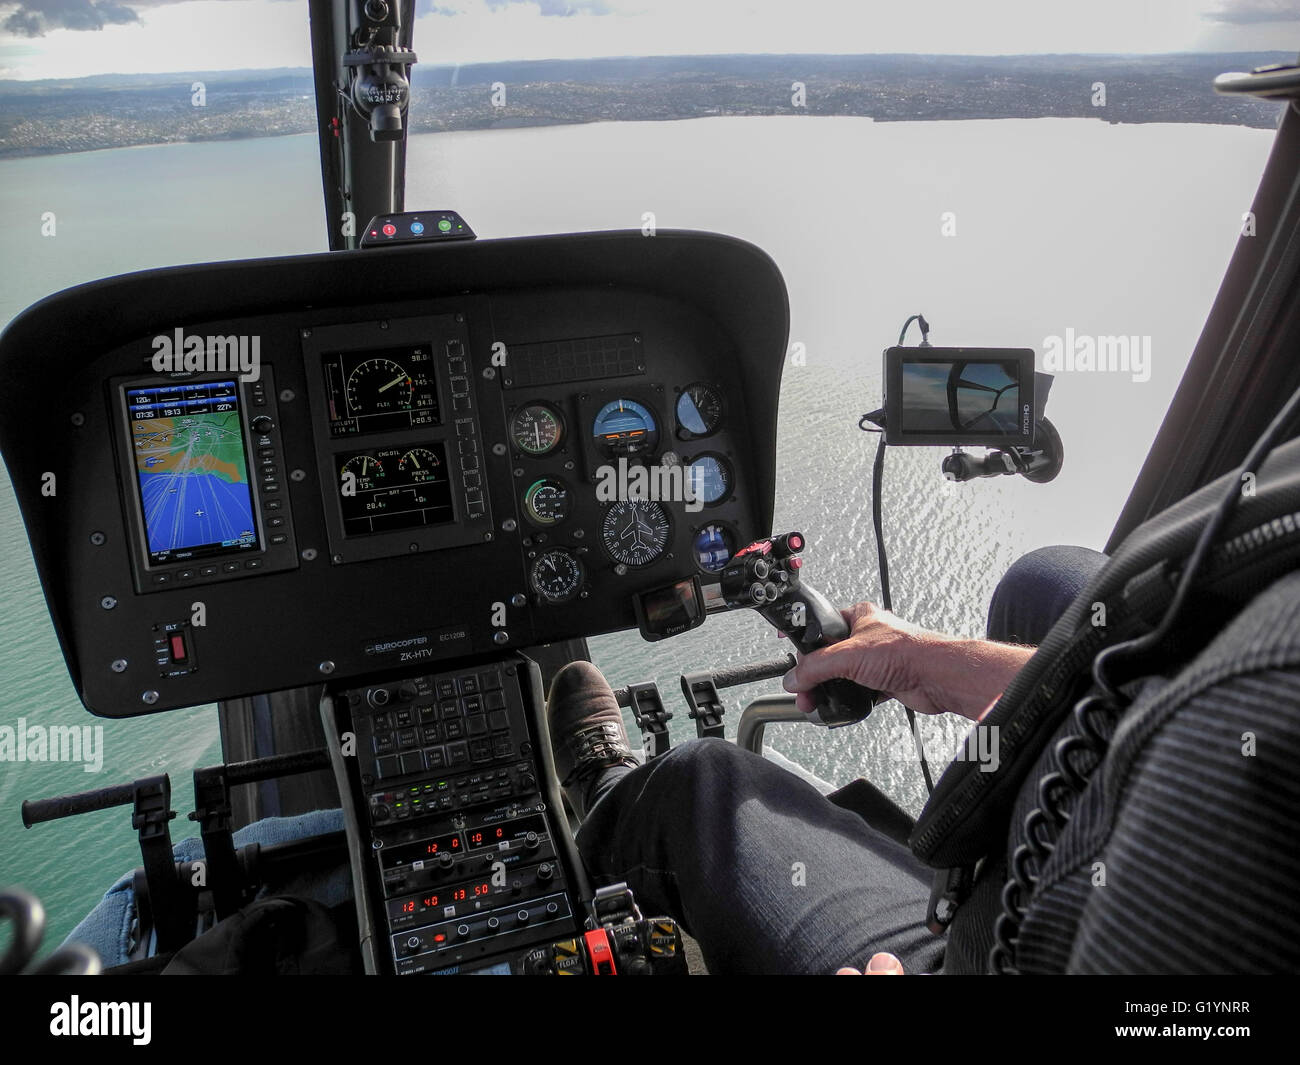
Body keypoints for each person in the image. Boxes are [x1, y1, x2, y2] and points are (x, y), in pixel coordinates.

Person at [544, 545, 1108, 975]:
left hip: (1045, 947)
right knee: (1047, 583)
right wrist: (925, 663)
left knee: (702, 778)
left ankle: (606, 793)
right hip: (1117, 820)